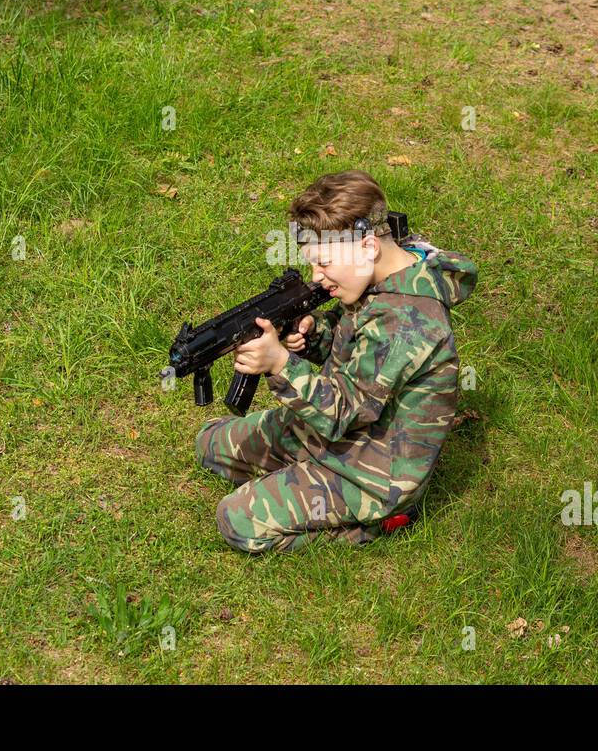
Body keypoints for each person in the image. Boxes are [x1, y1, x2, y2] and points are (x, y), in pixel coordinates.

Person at [195, 169, 477, 552]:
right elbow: (356, 347)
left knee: (237, 521)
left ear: (367, 246)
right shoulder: (381, 272)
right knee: (209, 443)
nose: (318, 277)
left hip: (372, 472)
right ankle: (297, 475)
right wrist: (314, 336)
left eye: (324, 262)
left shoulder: (407, 324)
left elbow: (342, 411)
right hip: (335, 436)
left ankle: (381, 523)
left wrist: (280, 364)